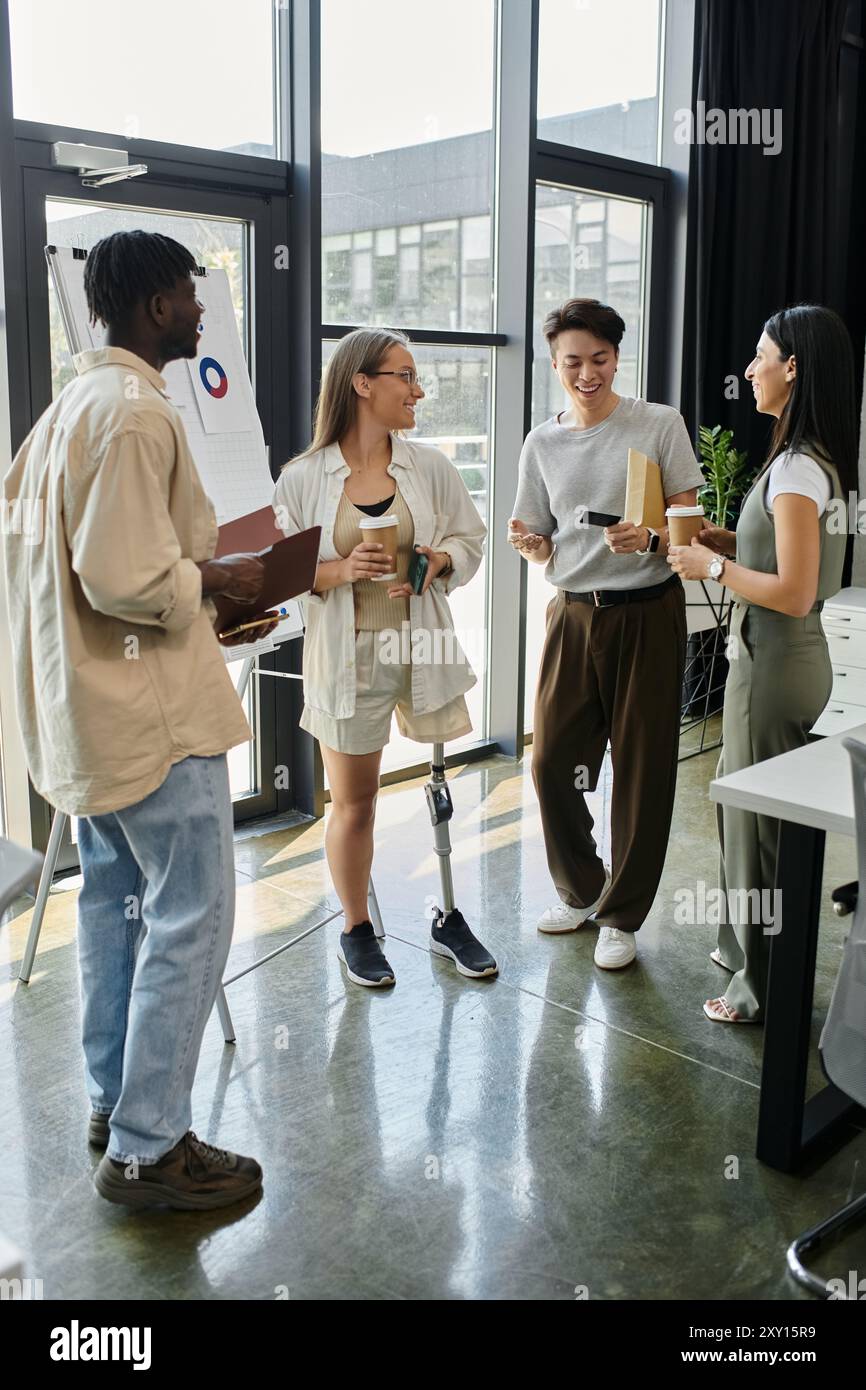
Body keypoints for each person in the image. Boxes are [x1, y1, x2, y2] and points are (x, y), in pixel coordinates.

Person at [2, 230, 279, 1209]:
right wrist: (219, 579)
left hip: (88, 724)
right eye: (191, 296)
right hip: (154, 722)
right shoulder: (131, 415)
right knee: (191, 917)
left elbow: (74, 572)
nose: (202, 313)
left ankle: (115, 1102)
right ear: (158, 305)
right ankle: (150, 1148)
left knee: (113, 909)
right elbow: (122, 576)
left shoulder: (61, 417)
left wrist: (210, 597)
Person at [273, 327, 497, 987]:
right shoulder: (304, 478)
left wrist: (440, 560)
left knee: (438, 783)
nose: (418, 389)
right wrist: (342, 569)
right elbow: (281, 575)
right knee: (356, 803)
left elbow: (469, 537)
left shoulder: (429, 466)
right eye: (404, 375)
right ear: (361, 384)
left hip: (420, 647)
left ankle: (448, 916)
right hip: (348, 660)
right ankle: (356, 927)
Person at [667, 304, 856, 1023]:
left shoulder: (799, 467)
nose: (749, 370)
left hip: (774, 665)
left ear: (793, 368)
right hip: (778, 661)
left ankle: (763, 989)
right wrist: (719, 539)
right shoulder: (806, 460)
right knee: (741, 811)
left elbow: (797, 590)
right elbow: (781, 558)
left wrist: (712, 567)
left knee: (759, 832)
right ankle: (740, 947)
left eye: (760, 356)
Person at [510, 297, 704, 969]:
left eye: (599, 359)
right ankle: (580, 886)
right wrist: (532, 547)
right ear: (555, 363)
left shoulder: (659, 424)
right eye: (573, 362)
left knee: (643, 768)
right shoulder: (542, 441)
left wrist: (649, 536)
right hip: (572, 611)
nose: (586, 374)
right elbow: (534, 533)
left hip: (649, 609)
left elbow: (693, 522)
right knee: (551, 758)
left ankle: (622, 913)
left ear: (617, 357)